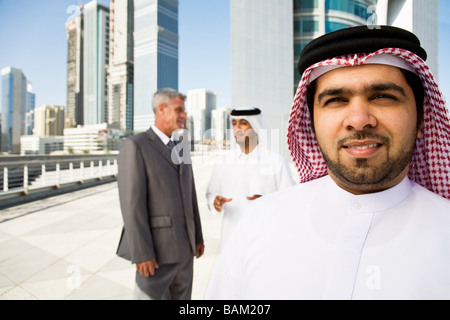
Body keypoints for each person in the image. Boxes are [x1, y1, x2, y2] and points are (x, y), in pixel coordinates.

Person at [205, 26, 450, 300]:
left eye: (383, 96)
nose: (358, 119)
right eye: (336, 100)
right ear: (311, 123)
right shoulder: (259, 222)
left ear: (420, 120)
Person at [116, 88, 204, 300]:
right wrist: (142, 252)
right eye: (179, 110)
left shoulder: (182, 146)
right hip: (156, 254)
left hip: (185, 251)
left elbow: (189, 194)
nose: (184, 115)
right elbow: (132, 205)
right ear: (161, 109)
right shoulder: (135, 146)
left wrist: (198, 236)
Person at [206, 107, 295, 250]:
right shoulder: (223, 161)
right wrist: (215, 202)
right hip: (231, 240)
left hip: (265, 241)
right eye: (234, 123)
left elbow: (290, 201)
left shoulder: (276, 162)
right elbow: (211, 194)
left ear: (256, 126)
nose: (237, 128)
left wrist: (268, 202)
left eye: (243, 123)